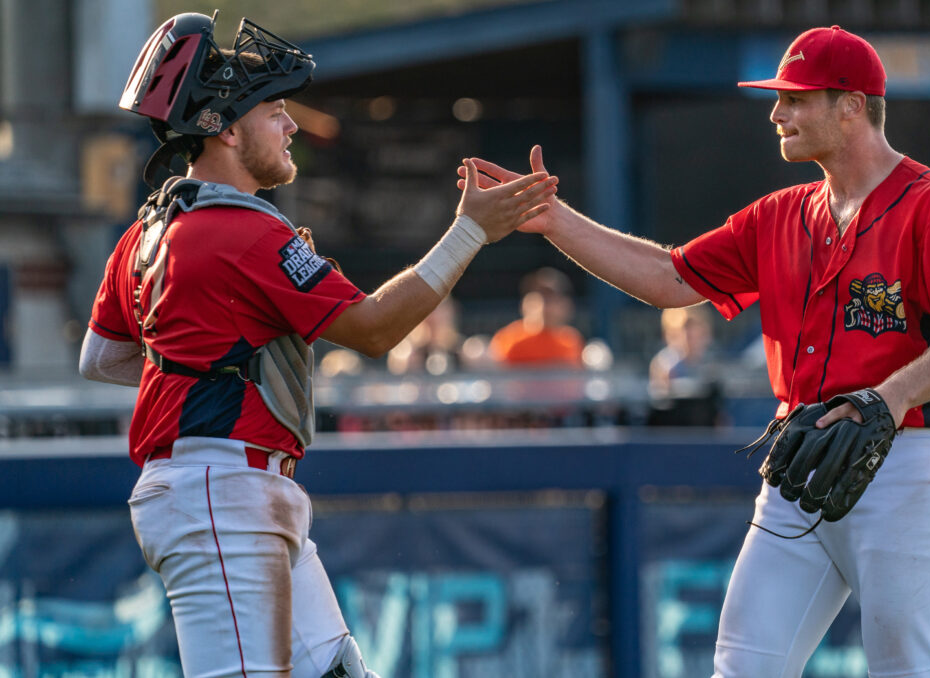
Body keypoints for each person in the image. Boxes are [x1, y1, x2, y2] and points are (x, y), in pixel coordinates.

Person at [460, 25, 930, 677]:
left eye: (795, 98)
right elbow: (669, 278)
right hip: (802, 460)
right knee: (744, 665)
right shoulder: (781, 214)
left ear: (851, 107)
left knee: (908, 668)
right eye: (778, 98)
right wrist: (555, 220)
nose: (777, 112)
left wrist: (889, 396)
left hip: (907, 459)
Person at [79, 12, 555, 678]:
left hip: (227, 488)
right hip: (221, 490)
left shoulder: (147, 231)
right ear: (222, 125)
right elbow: (376, 329)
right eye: (275, 109)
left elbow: (100, 359)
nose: (292, 124)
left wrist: (209, 372)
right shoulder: (241, 231)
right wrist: (470, 232)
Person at [488, 266, 585, 368]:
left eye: (551, 299)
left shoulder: (571, 341)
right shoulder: (507, 340)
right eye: (540, 297)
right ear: (524, 303)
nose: (544, 306)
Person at [647, 306, 723, 427]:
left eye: (695, 331)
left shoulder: (711, 365)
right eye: (684, 330)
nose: (689, 336)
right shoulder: (663, 364)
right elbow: (660, 403)